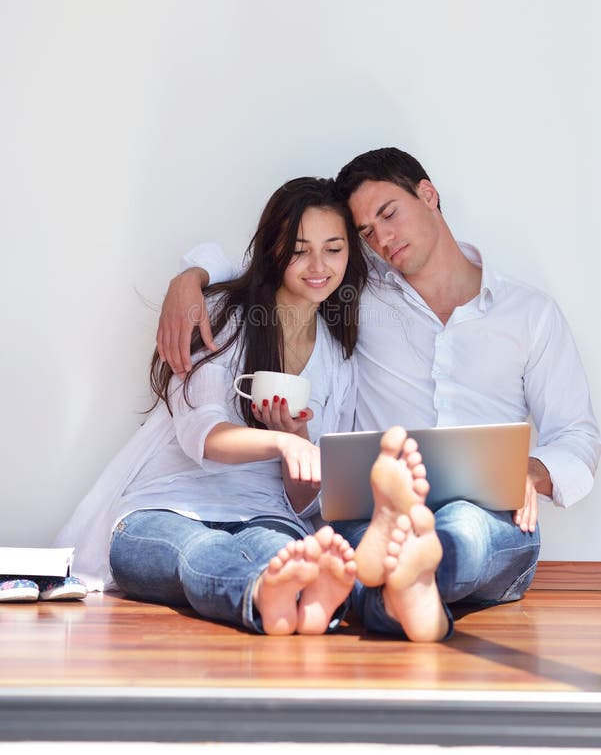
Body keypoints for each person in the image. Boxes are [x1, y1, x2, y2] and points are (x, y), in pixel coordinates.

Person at [157, 147, 600, 623]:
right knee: (352, 549)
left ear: (427, 194)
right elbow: (273, 262)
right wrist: (189, 280)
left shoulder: (530, 314)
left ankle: (403, 573)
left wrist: (530, 472)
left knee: (461, 529)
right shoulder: (356, 295)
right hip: (374, 516)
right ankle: (405, 600)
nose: (382, 239)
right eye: (366, 232)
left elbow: (578, 436)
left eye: (389, 214)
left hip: (488, 514)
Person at [55, 175, 451, 640]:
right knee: (195, 551)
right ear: (273, 250)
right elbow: (202, 433)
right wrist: (281, 443)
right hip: (164, 506)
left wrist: (299, 440)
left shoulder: (338, 358)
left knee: (288, 554)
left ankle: (333, 595)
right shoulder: (223, 315)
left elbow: (306, 500)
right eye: (299, 250)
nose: (318, 266)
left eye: (333, 249)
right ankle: (268, 593)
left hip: (266, 512)